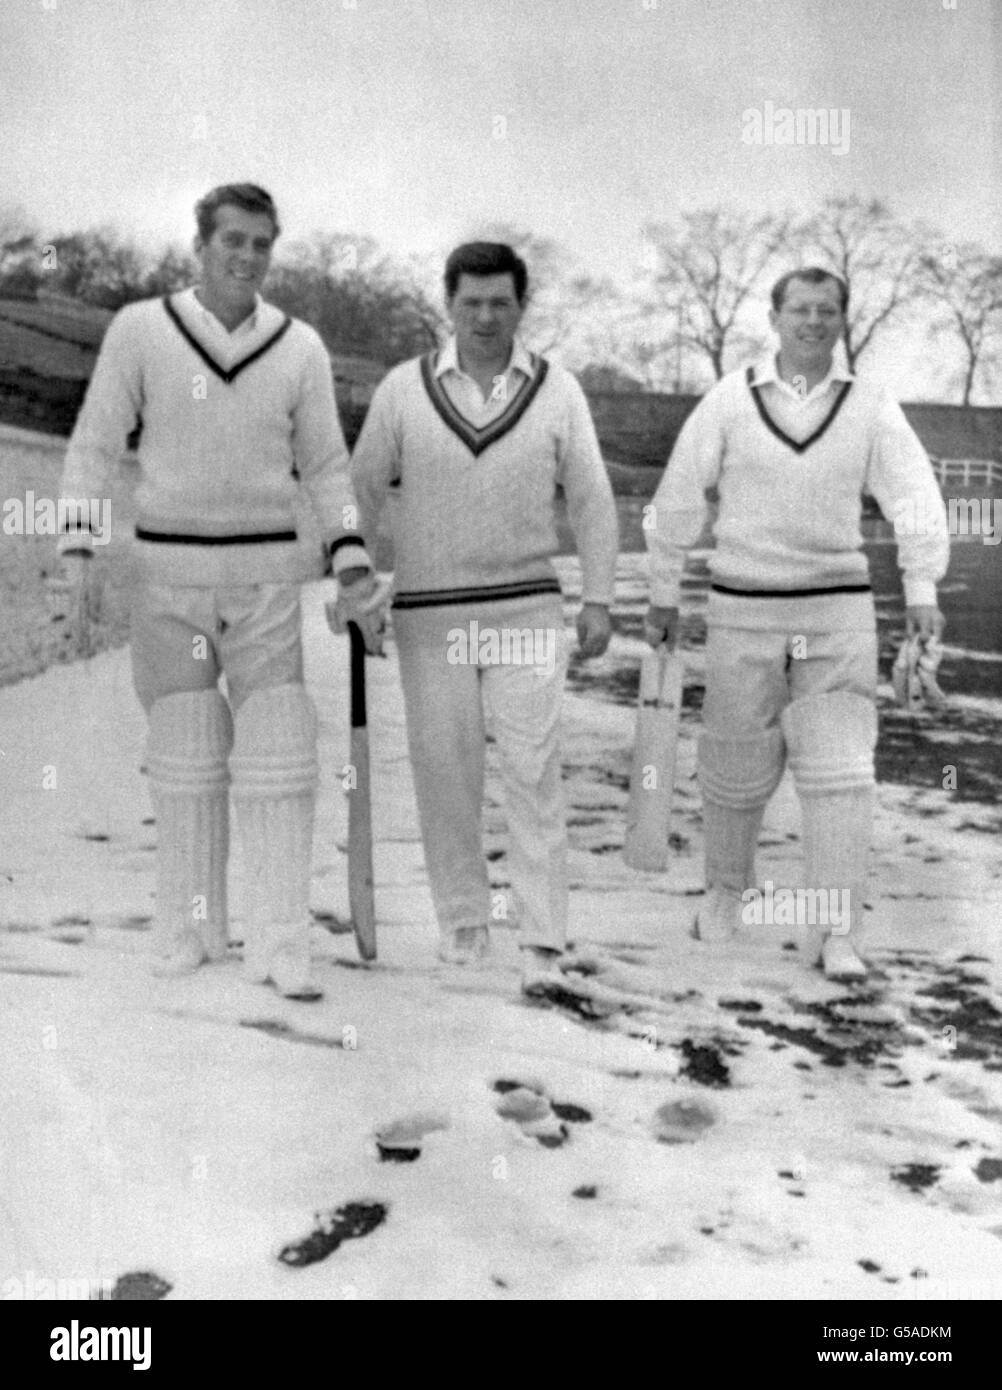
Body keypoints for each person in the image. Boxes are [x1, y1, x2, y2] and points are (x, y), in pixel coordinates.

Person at [56, 183, 386, 1000]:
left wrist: (349, 557)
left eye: (261, 244)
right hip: (170, 573)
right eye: (231, 241)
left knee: (277, 750)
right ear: (198, 246)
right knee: (186, 750)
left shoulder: (298, 345)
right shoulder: (140, 329)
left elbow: (327, 466)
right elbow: (96, 443)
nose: (246, 257)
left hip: (268, 573)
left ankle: (279, 940)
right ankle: (190, 927)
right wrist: (80, 549)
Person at [643, 266, 949, 980]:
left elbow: (914, 494)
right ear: (775, 318)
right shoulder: (732, 398)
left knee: (841, 772)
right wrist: (663, 586)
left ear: (842, 319)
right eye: (801, 310)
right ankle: (726, 891)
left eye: (828, 310)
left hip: (836, 607)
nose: (814, 322)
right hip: (743, 605)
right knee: (733, 764)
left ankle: (835, 932)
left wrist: (924, 584)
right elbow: (681, 491)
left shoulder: (869, 402)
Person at [351, 241, 619, 992]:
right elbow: (361, 491)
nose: (486, 316)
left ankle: (543, 933)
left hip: (525, 608)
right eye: (471, 302)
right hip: (430, 613)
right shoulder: (404, 389)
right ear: (449, 304)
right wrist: (355, 586)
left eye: (501, 302)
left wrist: (599, 597)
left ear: (520, 306)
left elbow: (593, 500)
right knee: (447, 774)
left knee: (533, 771)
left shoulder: (558, 390)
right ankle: (464, 926)